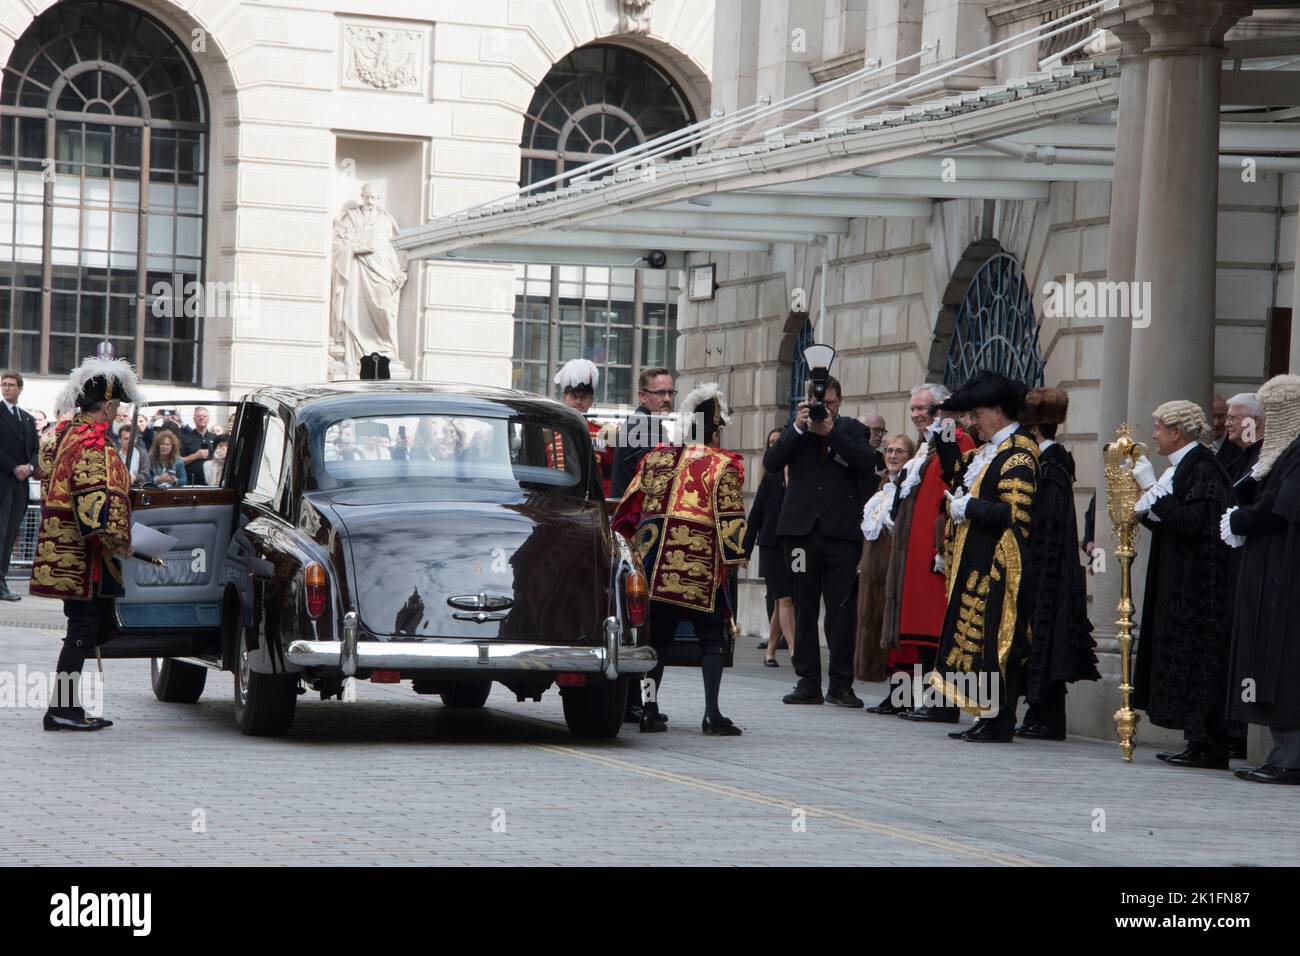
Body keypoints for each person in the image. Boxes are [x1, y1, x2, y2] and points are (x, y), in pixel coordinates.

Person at [612, 382, 746, 736]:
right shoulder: (722, 464)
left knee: (657, 641)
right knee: (712, 638)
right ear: (714, 431)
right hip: (699, 561)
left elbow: (627, 509)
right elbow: (731, 520)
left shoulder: (655, 458)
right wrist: (734, 559)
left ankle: (649, 710)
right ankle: (711, 714)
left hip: (655, 562)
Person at [924, 372, 1037, 744]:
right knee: (977, 639)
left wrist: (969, 507)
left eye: (978, 414)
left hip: (1000, 565)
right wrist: (943, 435)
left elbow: (1015, 515)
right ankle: (986, 715)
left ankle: (1001, 720)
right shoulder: (991, 451)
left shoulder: (1019, 453)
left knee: (996, 640)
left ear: (999, 412)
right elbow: (958, 474)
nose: (972, 422)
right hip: (977, 561)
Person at [31, 356, 141, 731]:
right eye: (117, 407)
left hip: (60, 550)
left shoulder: (61, 434)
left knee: (80, 626)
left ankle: (69, 707)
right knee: (83, 628)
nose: (117, 413)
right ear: (107, 407)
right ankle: (61, 709)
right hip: (84, 554)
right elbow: (93, 503)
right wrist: (119, 540)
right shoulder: (94, 442)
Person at [1130, 400, 1236, 769]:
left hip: (1200, 590)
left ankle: (1209, 744)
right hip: (1181, 582)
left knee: (1201, 663)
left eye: (1159, 428)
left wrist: (1150, 487)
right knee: (1189, 664)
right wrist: (1146, 508)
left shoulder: (1203, 468)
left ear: (1177, 433)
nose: (1154, 435)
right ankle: (1198, 741)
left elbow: (1192, 522)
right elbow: (1172, 522)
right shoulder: (1185, 467)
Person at [764, 375, 876, 708]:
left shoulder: (853, 430)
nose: (821, 410)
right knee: (804, 605)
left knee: (841, 610)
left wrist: (830, 432)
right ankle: (807, 681)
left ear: (839, 401)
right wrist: (799, 429)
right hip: (799, 533)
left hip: (841, 534)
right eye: (816, 405)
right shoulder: (794, 432)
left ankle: (841, 683)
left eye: (827, 404)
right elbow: (771, 464)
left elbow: (867, 463)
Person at [1220, 374, 1300, 784]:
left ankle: (1291, 758)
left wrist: (1240, 519)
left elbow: (1280, 508)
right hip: (1271, 572)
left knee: (1283, 662)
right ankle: (1281, 753)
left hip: (1286, 578)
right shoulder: (1283, 451)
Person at [882, 383, 976, 722]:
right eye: (915, 410)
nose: (920, 415)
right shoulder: (930, 446)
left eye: (928, 409)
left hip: (937, 550)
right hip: (918, 548)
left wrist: (941, 546)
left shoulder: (956, 439)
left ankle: (943, 703)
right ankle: (926, 699)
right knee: (922, 632)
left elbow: (954, 480)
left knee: (937, 630)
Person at [1016, 388, 1099, 740]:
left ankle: (1048, 719)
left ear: (1035, 430)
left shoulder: (1049, 469)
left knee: (1045, 640)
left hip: (1048, 571)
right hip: (1047, 569)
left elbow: (1045, 526)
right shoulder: (1050, 464)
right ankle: (1041, 715)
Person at [856, 433, 915, 695]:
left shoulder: (911, 487)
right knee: (877, 628)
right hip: (874, 571)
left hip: (896, 569)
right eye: (889, 450)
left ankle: (901, 694)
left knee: (897, 634)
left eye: (900, 451)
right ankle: (891, 693)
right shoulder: (882, 486)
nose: (892, 455)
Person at [743, 427, 793, 667]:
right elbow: (756, 515)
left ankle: (771, 650)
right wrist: (744, 551)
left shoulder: (799, 473)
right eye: (770, 443)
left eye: (778, 442)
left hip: (793, 544)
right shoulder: (770, 477)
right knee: (784, 598)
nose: (774, 447)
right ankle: (795, 649)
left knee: (781, 600)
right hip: (770, 545)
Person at [0, 369, 39, 602]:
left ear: (20, 388)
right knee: (1, 531)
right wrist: (14, 467)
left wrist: (30, 467)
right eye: (3, 384)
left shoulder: (27, 418)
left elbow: (35, 449)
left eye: (11, 385)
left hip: (21, 484)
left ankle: (2, 575)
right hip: (4, 480)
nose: (6, 388)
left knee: (11, 532)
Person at [551, 358, 614, 494]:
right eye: (574, 396)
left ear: (591, 401)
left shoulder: (603, 434)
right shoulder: (549, 431)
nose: (579, 402)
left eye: (584, 397)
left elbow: (608, 479)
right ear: (564, 399)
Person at [609, 367, 674, 499]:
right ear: (642, 396)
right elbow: (660, 474)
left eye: (671, 392)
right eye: (660, 393)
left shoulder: (652, 423)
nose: (667, 398)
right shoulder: (640, 426)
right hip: (631, 514)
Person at [1221, 392, 1264, 493]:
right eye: (1227, 418)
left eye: (1233, 418)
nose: (1227, 424)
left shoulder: (1266, 456)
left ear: (1255, 421)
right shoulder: (1243, 453)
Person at [179, 406, 217, 486]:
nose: (201, 418)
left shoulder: (214, 438)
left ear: (208, 419)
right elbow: (178, 462)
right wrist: (195, 456)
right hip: (191, 484)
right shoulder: (185, 438)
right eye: (198, 416)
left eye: (204, 416)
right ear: (194, 419)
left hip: (211, 484)